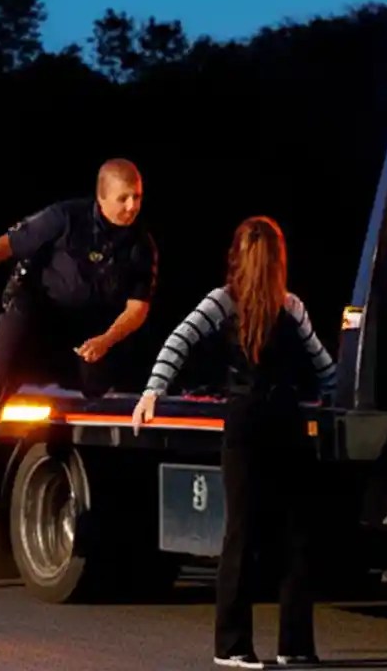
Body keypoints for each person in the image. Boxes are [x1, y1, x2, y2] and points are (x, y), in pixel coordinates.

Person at [132, 216, 336, 669]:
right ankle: (290, 644)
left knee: (244, 534)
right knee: (290, 536)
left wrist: (153, 390)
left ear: (236, 258)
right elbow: (325, 368)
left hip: (247, 420)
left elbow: (178, 340)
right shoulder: (283, 305)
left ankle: (238, 644)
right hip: (279, 420)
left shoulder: (235, 301)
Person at [0, 158, 158, 525]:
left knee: (99, 382)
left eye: (138, 197)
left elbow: (137, 309)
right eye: (124, 198)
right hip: (34, 311)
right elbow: (4, 246)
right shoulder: (64, 218)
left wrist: (106, 339)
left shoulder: (141, 244)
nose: (132, 206)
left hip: (86, 326)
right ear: (102, 197)